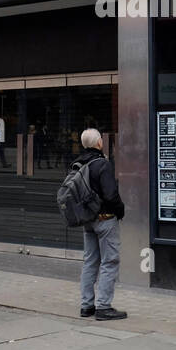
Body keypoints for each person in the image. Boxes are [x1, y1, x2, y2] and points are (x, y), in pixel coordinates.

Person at [72, 128, 127, 321]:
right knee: (110, 261)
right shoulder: (102, 164)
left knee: (90, 261)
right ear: (99, 143)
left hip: (88, 220)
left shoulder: (78, 163)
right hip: (105, 219)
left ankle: (86, 306)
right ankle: (103, 307)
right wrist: (120, 210)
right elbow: (111, 194)